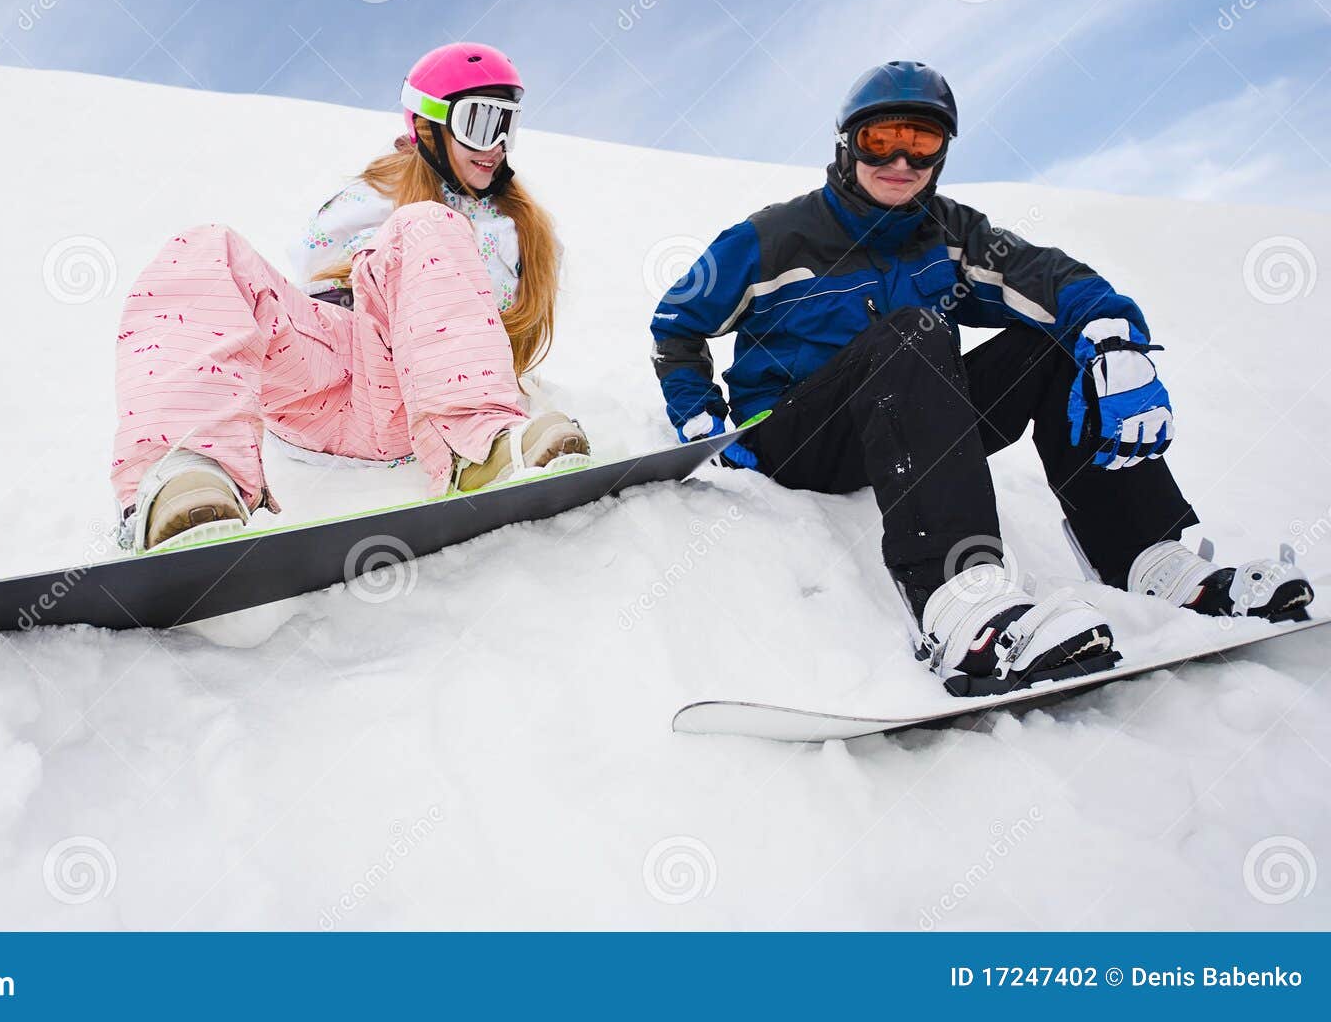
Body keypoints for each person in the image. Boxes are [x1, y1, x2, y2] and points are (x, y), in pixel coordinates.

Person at [650, 60, 1313, 695]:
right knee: (913, 330)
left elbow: (1045, 278)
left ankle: (1148, 557)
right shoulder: (773, 237)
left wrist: (1115, 341)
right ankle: (959, 600)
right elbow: (676, 324)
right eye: (881, 141)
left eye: (922, 142)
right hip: (804, 440)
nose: (900, 162)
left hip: (913, 430)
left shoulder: (950, 233)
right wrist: (703, 420)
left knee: (1053, 343)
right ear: (848, 144)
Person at [112, 42, 590, 553]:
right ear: (427, 125)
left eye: (507, 124)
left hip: (427, 401)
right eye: (479, 121)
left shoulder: (515, 230)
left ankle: (480, 448)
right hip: (321, 384)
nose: (495, 143)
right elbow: (301, 290)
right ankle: (183, 478)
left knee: (425, 223)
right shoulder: (366, 199)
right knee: (204, 246)